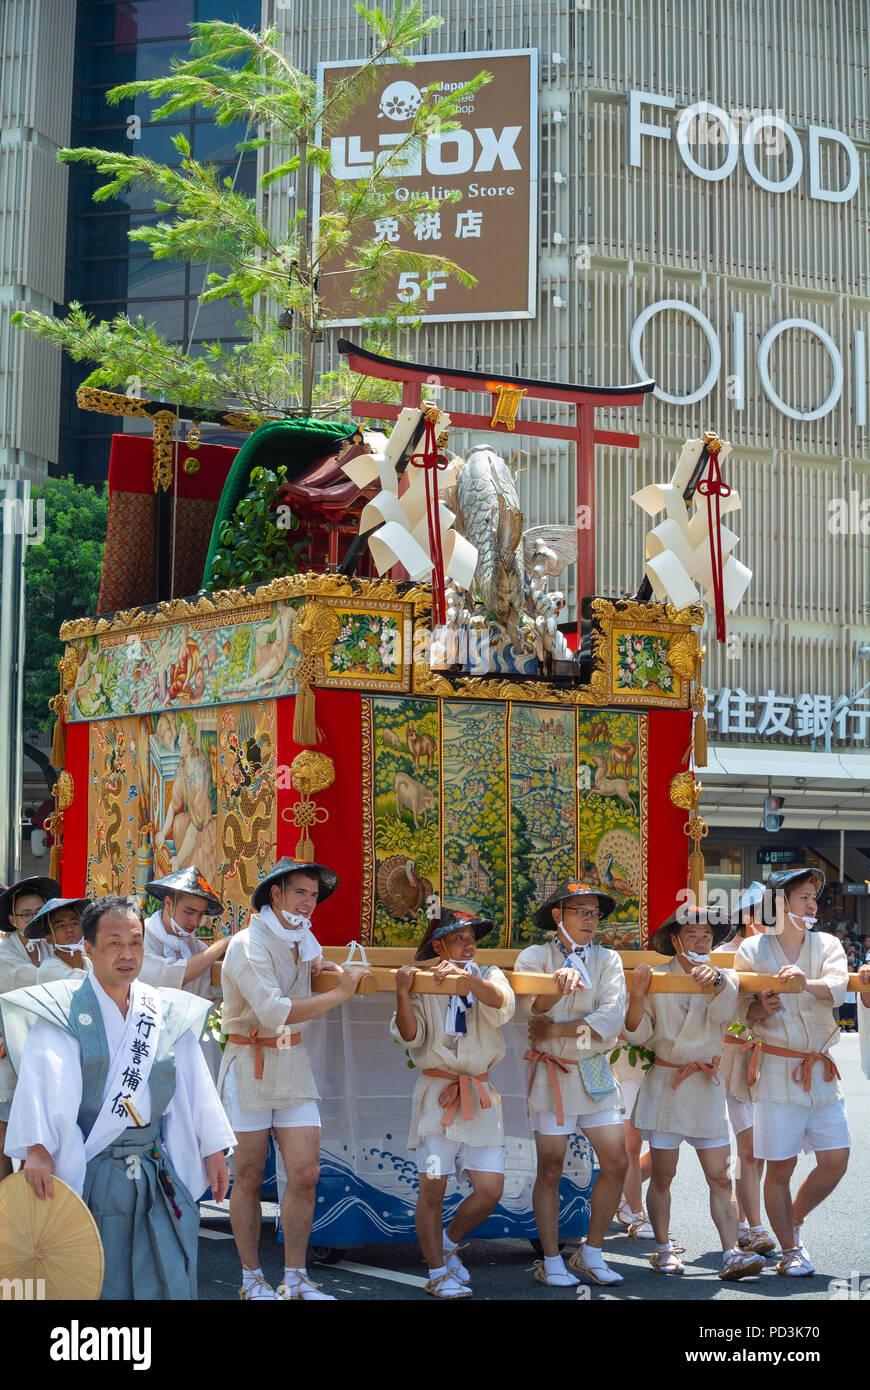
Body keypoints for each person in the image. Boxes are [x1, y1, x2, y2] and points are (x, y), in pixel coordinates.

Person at [0, 894, 234, 1300]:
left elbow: (194, 1084)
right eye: (113, 943)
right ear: (88, 949)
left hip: (154, 1166)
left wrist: (212, 1148)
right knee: (93, 1276)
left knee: (166, 1270)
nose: (127, 954)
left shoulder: (163, 1010)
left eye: (136, 942)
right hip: (91, 1166)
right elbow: (44, 1079)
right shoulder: (64, 1012)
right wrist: (37, 1148)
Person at [218, 856, 368, 1301]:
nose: (308, 903)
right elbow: (274, 1012)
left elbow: (316, 967)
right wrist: (342, 991)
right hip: (249, 1060)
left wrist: (329, 973)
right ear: (276, 895)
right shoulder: (247, 944)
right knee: (248, 1174)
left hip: (292, 1062)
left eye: (313, 896)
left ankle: (297, 1278)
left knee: (305, 1173)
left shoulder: (301, 937)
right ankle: (250, 1278)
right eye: (300, 893)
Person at [624, 905, 764, 1281]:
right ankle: (663, 1247)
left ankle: (732, 1252)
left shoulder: (726, 977)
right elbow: (637, 1034)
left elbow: (725, 1018)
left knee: (719, 1175)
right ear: (675, 940)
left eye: (706, 936)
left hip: (705, 1084)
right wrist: (637, 995)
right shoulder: (655, 977)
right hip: (667, 1081)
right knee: (664, 1174)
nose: (700, 942)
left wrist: (715, 982)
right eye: (691, 936)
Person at [392, 908, 515, 1299]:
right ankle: (435, 1271)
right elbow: (411, 1037)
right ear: (439, 945)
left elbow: (501, 1003)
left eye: (471, 937)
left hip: (479, 1099)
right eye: (458, 938)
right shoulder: (425, 982)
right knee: (433, 1187)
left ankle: (446, 1242)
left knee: (490, 1189)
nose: (468, 944)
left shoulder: (488, 975)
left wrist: (467, 980)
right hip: (437, 1098)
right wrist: (402, 992)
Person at [733, 867, 849, 1277]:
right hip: (779, 1069)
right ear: (780, 904)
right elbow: (738, 1013)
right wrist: (759, 1009)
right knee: (779, 1167)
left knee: (837, 1159)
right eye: (803, 896)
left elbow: (837, 988)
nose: (813, 903)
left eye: (814, 896)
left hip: (821, 1068)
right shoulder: (752, 950)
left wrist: (805, 982)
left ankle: (793, 1219)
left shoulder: (828, 943)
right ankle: (790, 1249)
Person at [515, 880, 628, 1287]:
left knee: (617, 1161)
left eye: (595, 913)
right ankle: (550, 1259)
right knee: (550, 1166)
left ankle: (592, 1251)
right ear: (558, 914)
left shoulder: (608, 960)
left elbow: (611, 1020)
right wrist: (552, 989)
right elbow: (530, 1010)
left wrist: (559, 1030)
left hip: (593, 1067)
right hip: (552, 1070)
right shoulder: (535, 956)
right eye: (581, 911)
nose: (590, 920)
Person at [718, 881, 776, 1258]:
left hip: (770, 1060)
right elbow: (725, 1019)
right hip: (733, 1060)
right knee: (749, 1146)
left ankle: (746, 1221)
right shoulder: (723, 956)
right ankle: (753, 1226)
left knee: (762, 1148)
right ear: (747, 917)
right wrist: (754, 1015)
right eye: (765, 915)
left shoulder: (775, 956)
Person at [140, 867, 229, 1078]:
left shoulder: (196, 948)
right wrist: (223, 944)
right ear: (168, 903)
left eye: (200, 914)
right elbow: (169, 974)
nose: (195, 922)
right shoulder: (141, 938)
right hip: (146, 1041)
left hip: (189, 1046)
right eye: (189, 912)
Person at [0, 875, 61, 1179]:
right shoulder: (5, 953)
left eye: (39, 912)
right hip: (8, 1053)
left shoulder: (50, 947)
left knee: (34, 1137)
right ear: (12, 919)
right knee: (3, 1137)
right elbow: (33, 980)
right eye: (26, 914)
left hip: (41, 1053)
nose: (33, 918)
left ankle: (25, 1210)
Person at [26, 897, 92, 983]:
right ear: (48, 938)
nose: (69, 929)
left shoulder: (88, 961)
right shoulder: (48, 969)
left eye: (74, 923)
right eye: (61, 925)